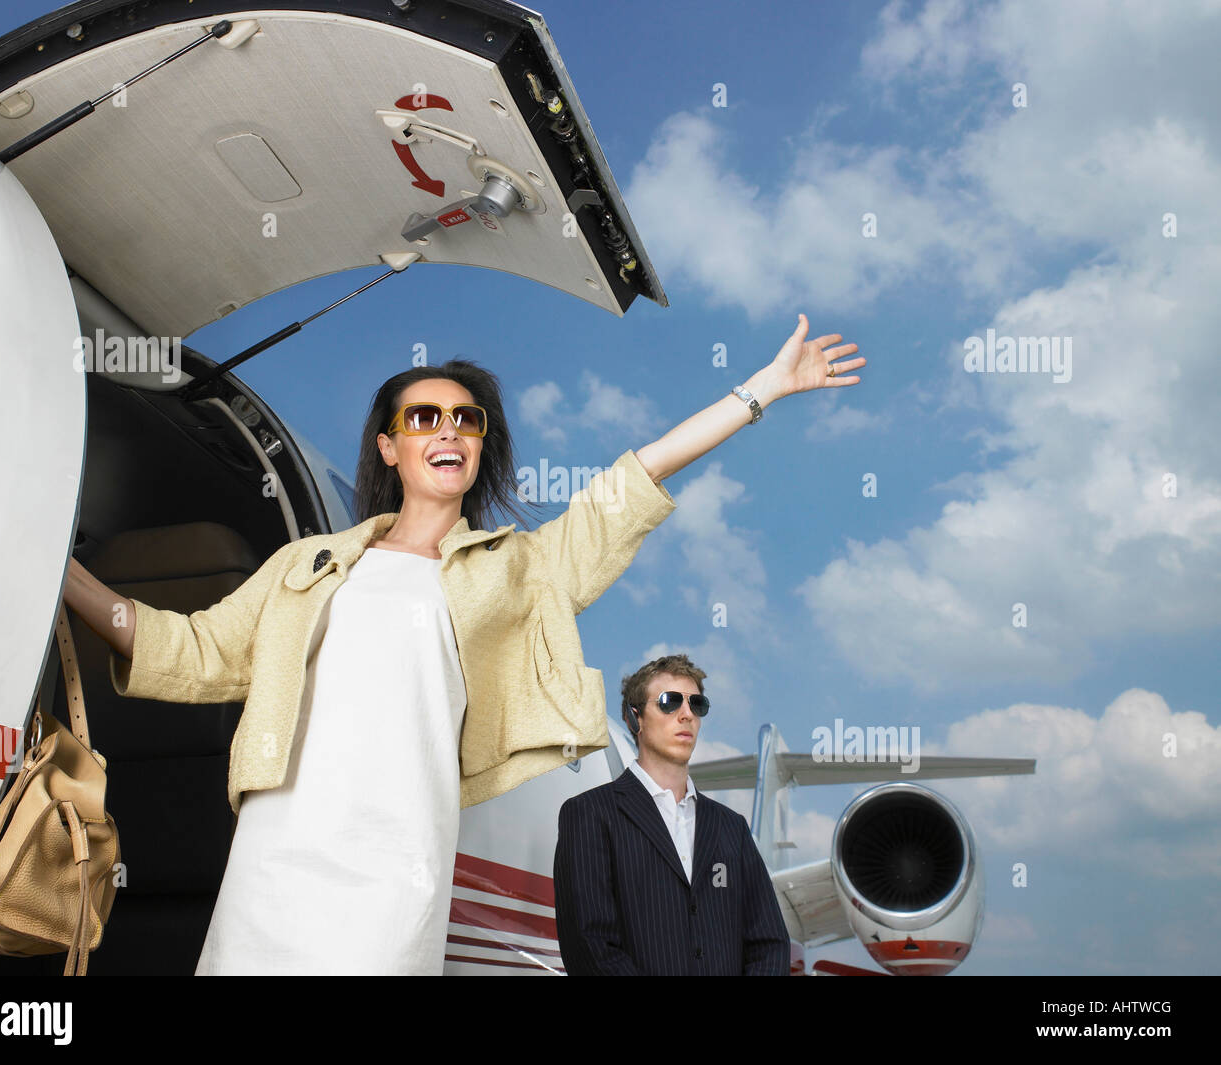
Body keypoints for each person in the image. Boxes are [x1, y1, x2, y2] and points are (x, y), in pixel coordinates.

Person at [63, 313, 862, 974]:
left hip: (398, 864)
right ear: (389, 446)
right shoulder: (304, 569)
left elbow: (629, 485)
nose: (448, 431)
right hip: (277, 852)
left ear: (479, 446)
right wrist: (64, 575)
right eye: (424, 417)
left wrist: (760, 391)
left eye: (466, 419)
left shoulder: (513, 569)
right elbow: (187, 648)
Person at [553, 655, 791, 975]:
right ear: (634, 718)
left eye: (697, 705)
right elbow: (589, 944)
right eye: (669, 702)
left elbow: (770, 942)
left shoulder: (732, 828)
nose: (686, 714)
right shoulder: (589, 815)